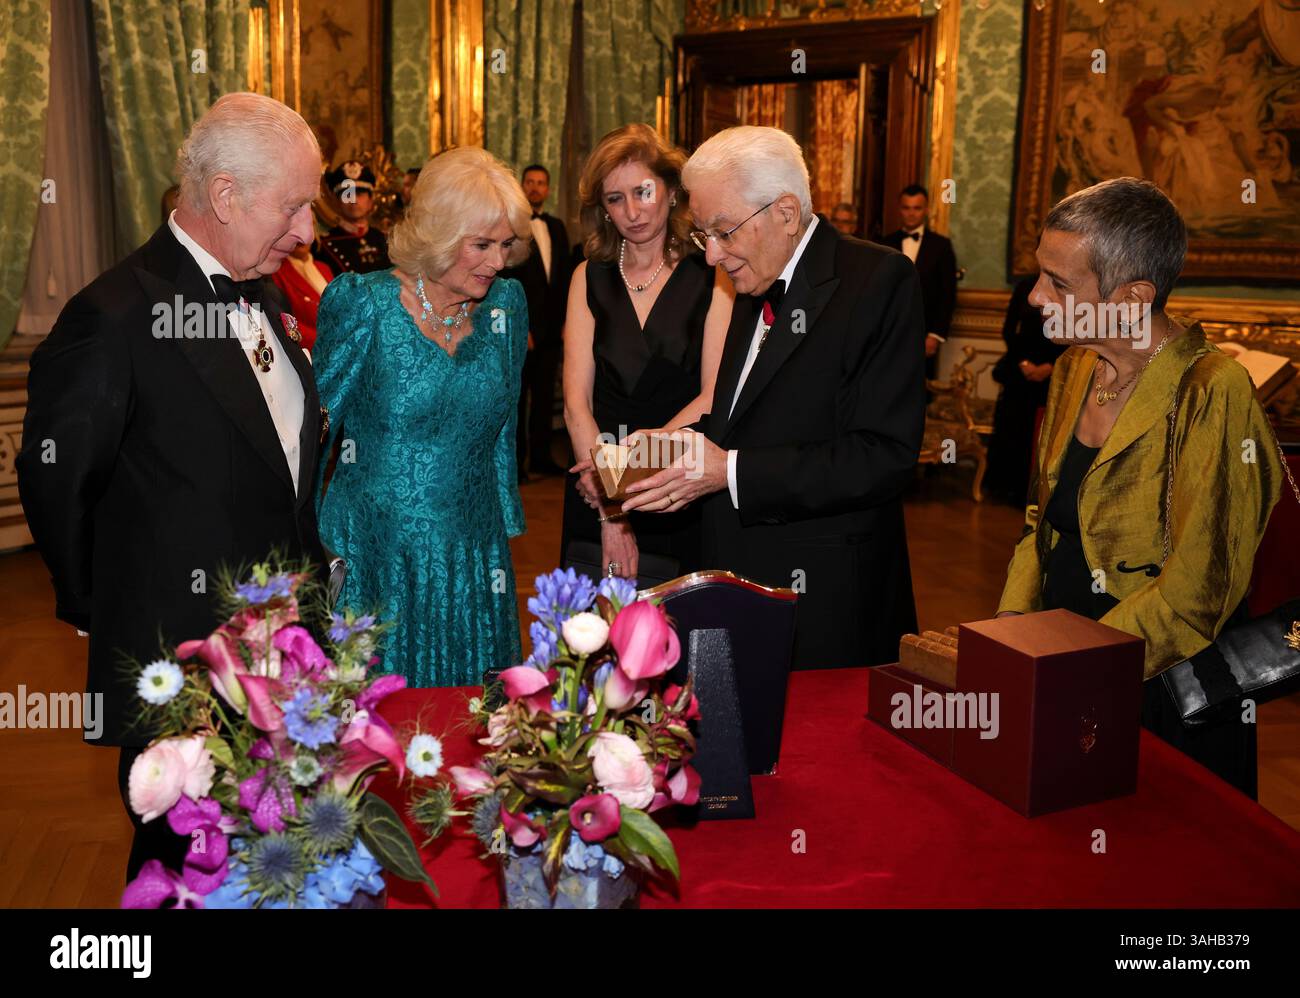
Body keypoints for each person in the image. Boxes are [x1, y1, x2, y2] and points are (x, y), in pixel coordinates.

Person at [16, 93, 327, 882]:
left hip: (284, 650)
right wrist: (104, 607)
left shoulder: (260, 292)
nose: (308, 232)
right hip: (180, 662)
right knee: (186, 870)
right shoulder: (113, 315)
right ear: (226, 196)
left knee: (275, 861)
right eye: (293, 206)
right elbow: (56, 479)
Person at [997, 177, 1283, 797]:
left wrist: (1070, 663)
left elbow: (1198, 588)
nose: (1036, 297)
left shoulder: (1213, 391)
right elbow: (1039, 522)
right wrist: (1013, 631)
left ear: (1132, 298)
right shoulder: (1074, 368)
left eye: (1059, 283)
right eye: (1039, 274)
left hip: (1164, 693)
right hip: (1058, 667)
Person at [622, 125, 926, 668]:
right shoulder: (753, 274)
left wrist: (729, 472)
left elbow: (883, 456)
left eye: (723, 231)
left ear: (786, 212)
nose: (712, 255)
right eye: (702, 236)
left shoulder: (878, 280)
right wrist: (666, 448)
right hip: (735, 576)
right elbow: (740, 420)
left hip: (827, 599)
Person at [312, 147, 530, 688]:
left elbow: (503, 430)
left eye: (505, 245)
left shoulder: (506, 304)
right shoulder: (364, 302)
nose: (497, 262)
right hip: (377, 548)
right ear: (438, 234)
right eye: (481, 245)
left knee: (474, 728)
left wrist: (504, 517)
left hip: (474, 551)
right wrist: (308, 544)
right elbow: (315, 428)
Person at [561, 124, 734, 585]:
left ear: (672, 190)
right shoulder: (588, 276)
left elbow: (714, 397)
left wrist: (627, 469)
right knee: (592, 643)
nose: (632, 211)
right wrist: (610, 510)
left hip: (679, 484)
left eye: (643, 191)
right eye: (615, 199)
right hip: (594, 487)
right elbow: (576, 403)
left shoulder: (712, 273)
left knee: (680, 644)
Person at [500, 163, 572, 478]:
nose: (535, 187)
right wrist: (520, 327)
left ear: (548, 188)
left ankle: (542, 458)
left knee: (544, 399)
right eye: (529, 182)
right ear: (522, 186)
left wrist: (567, 323)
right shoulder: (510, 228)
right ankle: (516, 465)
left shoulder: (557, 227)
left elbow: (565, 279)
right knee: (518, 399)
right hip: (522, 331)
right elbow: (505, 281)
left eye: (541, 183)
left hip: (553, 330)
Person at [984, 274, 1066, 504]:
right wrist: (1023, 363)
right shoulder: (1025, 286)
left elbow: (1078, 330)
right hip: (1021, 371)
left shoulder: (1073, 284)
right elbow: (1009, 329)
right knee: (1014, 426)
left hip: (1055, 373)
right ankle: (1009, 487)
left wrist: (1052, 366)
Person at [881, 184, 957, 379]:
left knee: (922, 392)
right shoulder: (884, 244)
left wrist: (935, 335)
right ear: (899, 210)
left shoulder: (941, 246)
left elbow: (947, 294)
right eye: (906, 208)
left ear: (926, 209)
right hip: (888, 334)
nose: (911, 214)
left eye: (917, 208)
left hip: (925, 335)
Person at [317, 160, 391, 275]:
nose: (354, 200)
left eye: (360, 193)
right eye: (347, 194)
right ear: (336, 202)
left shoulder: (384, 240)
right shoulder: (322, 246)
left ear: (371, 201)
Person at [271, 240, 335, 354]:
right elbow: (284, 320)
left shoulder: (323, 267)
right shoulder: (276, 272)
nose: (302, 239)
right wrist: (328, 342)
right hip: (316, 352)